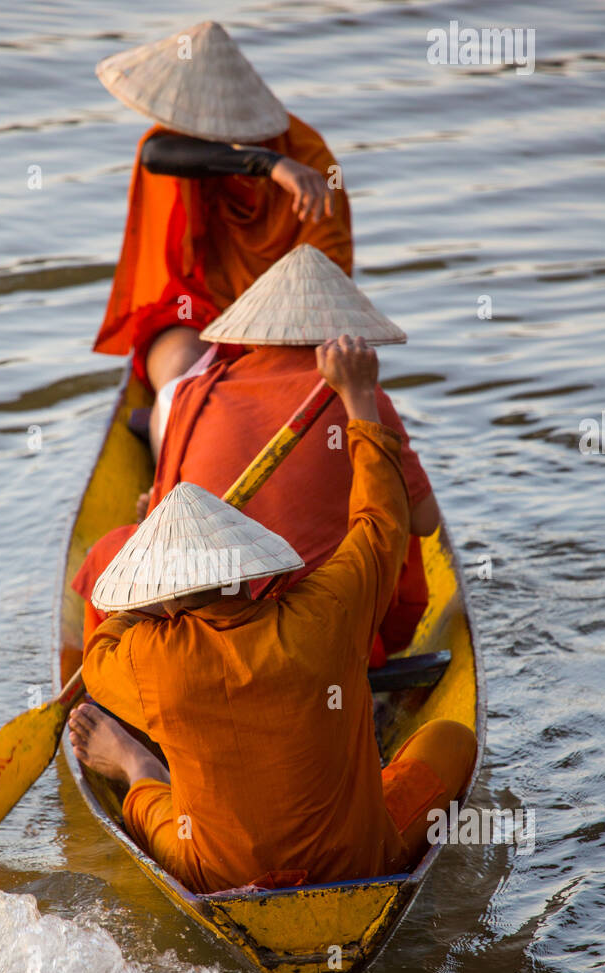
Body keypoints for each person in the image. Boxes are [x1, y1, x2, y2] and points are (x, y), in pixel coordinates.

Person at [67, 335, 476, 894]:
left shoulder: (146, 660)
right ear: (251, 564)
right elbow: (382, 523)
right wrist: (359, 399)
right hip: (361, 860)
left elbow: (100, 656)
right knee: (452, 740)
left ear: (166, 600)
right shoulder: (329, 608)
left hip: (213, 872)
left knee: (149, 793)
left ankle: (140, 771)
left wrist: (145, 590)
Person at [74, 246, 440, 662]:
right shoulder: (361, 397)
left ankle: (107, 687)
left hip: (208, 622)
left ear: (249, 335)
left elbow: (169, 522)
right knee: (391, 506)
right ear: (340, 339)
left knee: (111, 550)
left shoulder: (195, 392)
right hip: (328, 626)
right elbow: (425, 520)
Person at [93, 20, 353, 441]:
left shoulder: (313, 160)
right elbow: (156, 155)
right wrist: (268, 165)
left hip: (283, 323)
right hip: (197, 307)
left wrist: (274, 348)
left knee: (262, 408)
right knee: (180, 385)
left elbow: (329, 284)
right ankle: (165, 489)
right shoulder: (178, 145)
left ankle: (165, 433)